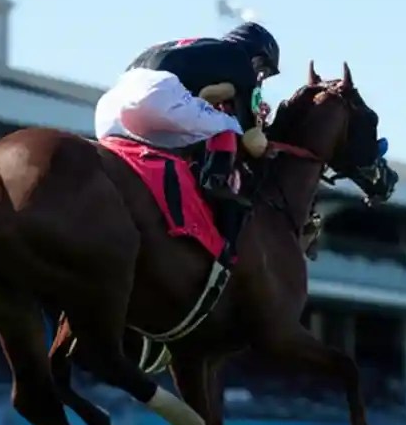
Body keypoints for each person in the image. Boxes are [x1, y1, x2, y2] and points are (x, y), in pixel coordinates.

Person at [95, 22, 281, 262]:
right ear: (255, 55)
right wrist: (264, 145)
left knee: (185, 134)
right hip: (156, 96)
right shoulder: (239, 59)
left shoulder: (193, 48)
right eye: (263, 69)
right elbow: (249, 134)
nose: (260, 77)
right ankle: (215, 182)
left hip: (109, 107)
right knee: (226, 122)